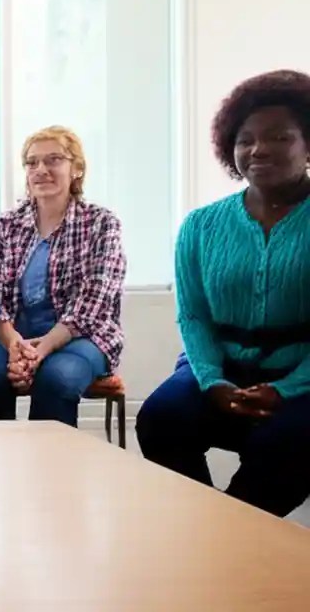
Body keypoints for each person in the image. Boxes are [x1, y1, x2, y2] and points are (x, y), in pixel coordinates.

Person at [137, 70, 310, 517]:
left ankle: (231, 533)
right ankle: (210, 528)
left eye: (279, 137)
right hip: (219, 369)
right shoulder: (200, 226)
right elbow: (193, 317)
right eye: (245, 138)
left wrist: (286, 389)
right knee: (160, 419)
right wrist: (212, 381)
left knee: (286, 443)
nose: (258, 149)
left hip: (302, 374)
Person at [0, 125, 126, 428]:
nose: (41, 169)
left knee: (56, 379)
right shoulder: (7, 225)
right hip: (12, 335)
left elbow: (94, 300)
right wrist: (14, 343)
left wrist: (44, 348)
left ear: (76, 169)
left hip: (80, 337)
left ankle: (50, 473)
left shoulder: (101, 223)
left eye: (53, 160)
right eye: (32, 162)